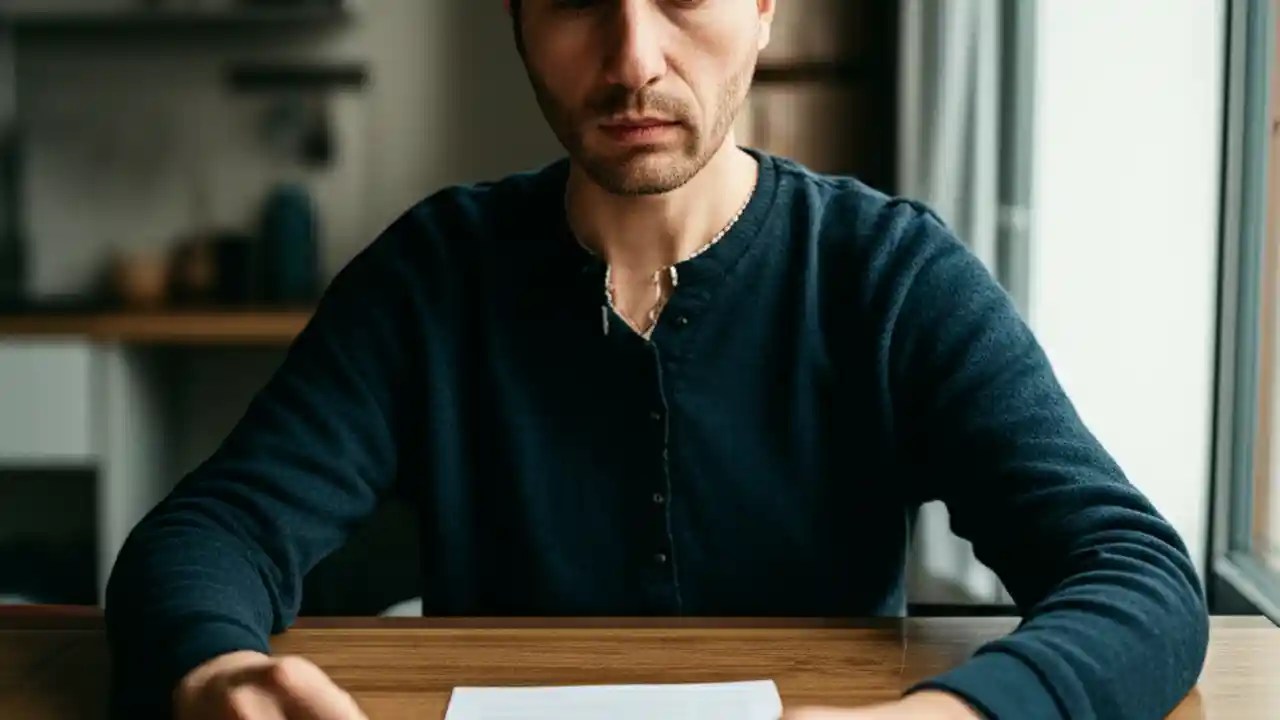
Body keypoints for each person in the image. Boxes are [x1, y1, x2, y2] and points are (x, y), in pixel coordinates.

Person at [105, 0, 1209, 718]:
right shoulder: (430, 276)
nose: (632, 59)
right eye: (575, 1)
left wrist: (955, 714)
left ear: (764, 7)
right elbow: (209, 535)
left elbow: (1137, 576)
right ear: (516, 20)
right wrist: (217, 669)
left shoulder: (889, 277)